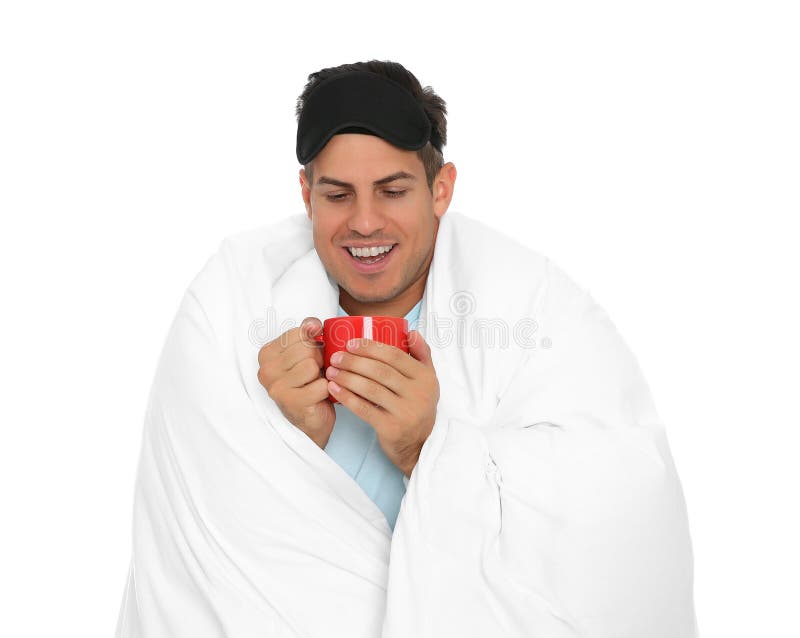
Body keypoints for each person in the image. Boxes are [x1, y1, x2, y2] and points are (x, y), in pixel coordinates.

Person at [116, 60, 698, 637]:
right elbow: (186, 550)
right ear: (305, 193)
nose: (364, 223)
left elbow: (622, 517)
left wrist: (430, 447)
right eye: (338, 194)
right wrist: (290, 440)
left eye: (392, 191)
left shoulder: (534, 312)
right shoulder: (231, 302)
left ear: (440, 189)